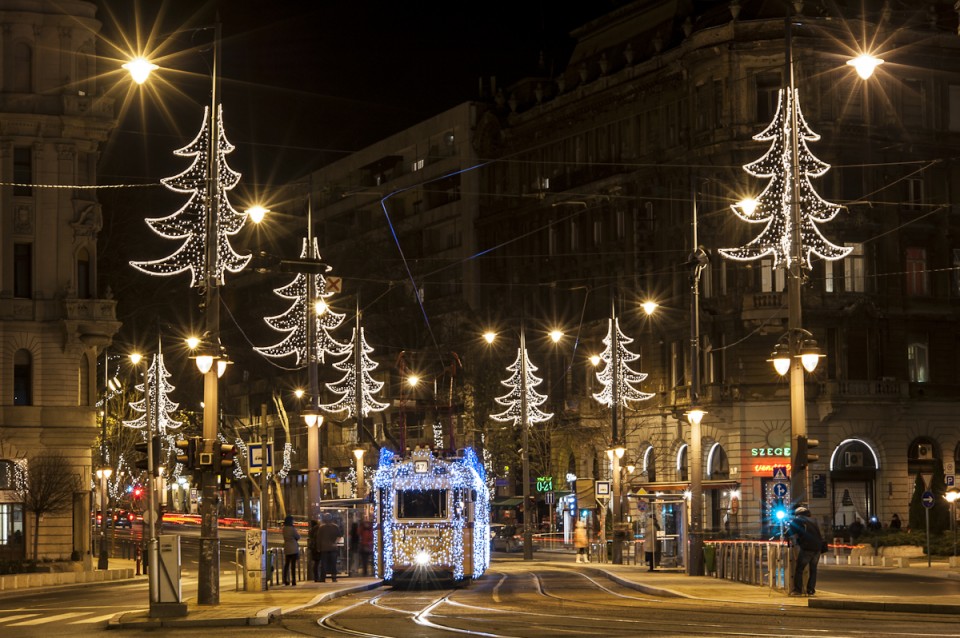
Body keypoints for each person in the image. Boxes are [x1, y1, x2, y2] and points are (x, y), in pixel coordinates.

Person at [787, 505, 823, 596]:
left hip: (807, 547)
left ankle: (798, 590)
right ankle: (810, 590)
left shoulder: (798, 520)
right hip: (818, 547)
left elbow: (790, 532)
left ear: (797, 514)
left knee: (799, 569)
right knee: (813, 569)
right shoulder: (814, 520)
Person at [317, 514, 341, 582]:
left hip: (324, 548)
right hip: (333, 548)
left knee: (324, 564)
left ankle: (323, 578)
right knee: (333, 564)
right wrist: (335, 543)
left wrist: (318, 548)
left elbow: (318, 539)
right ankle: (334, 578)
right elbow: (339, 537)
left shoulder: (321, 527)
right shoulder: (335, 527)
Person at [282, 515, 301, 586]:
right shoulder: (292, 529)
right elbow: (298, 536)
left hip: (287, 547)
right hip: (293, 548)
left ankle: (285, 580)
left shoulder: (284, 528)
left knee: (287, 564)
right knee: (293, 566)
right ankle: (293, 580)